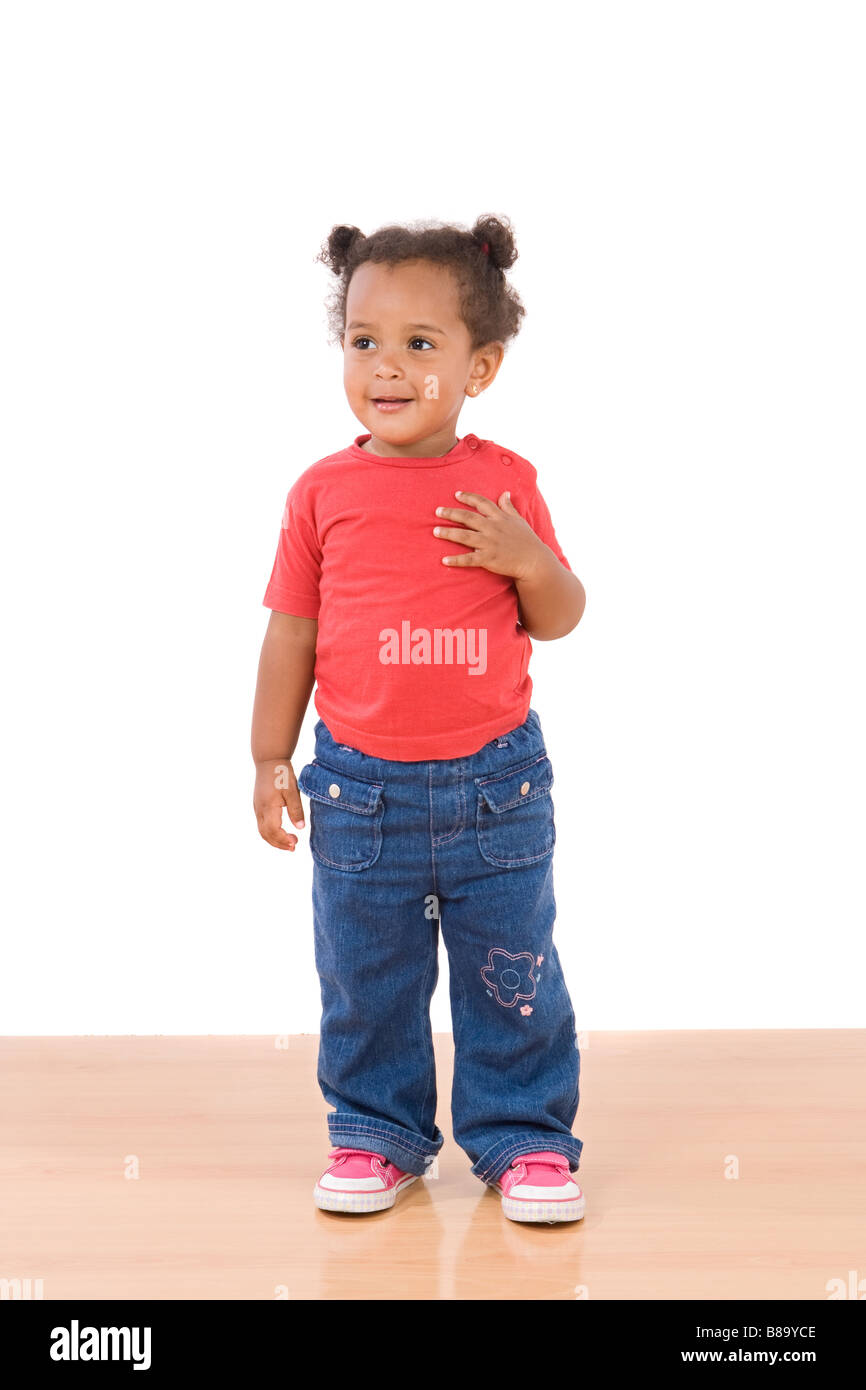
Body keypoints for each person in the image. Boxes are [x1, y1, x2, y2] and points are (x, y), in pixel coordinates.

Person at [251, 215, 588, 1224]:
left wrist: (527, 559)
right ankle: (375, 1133)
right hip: (360, 792)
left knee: (511, 973)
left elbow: (559, 615)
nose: (385, 366)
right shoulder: (322, 493)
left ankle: (524, 1136)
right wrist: (269, 756)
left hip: (496, 789)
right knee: (367, 977)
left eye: (419, 343)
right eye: (363, 341)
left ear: (480, 367)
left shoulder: (504, 484)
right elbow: (292, 633)